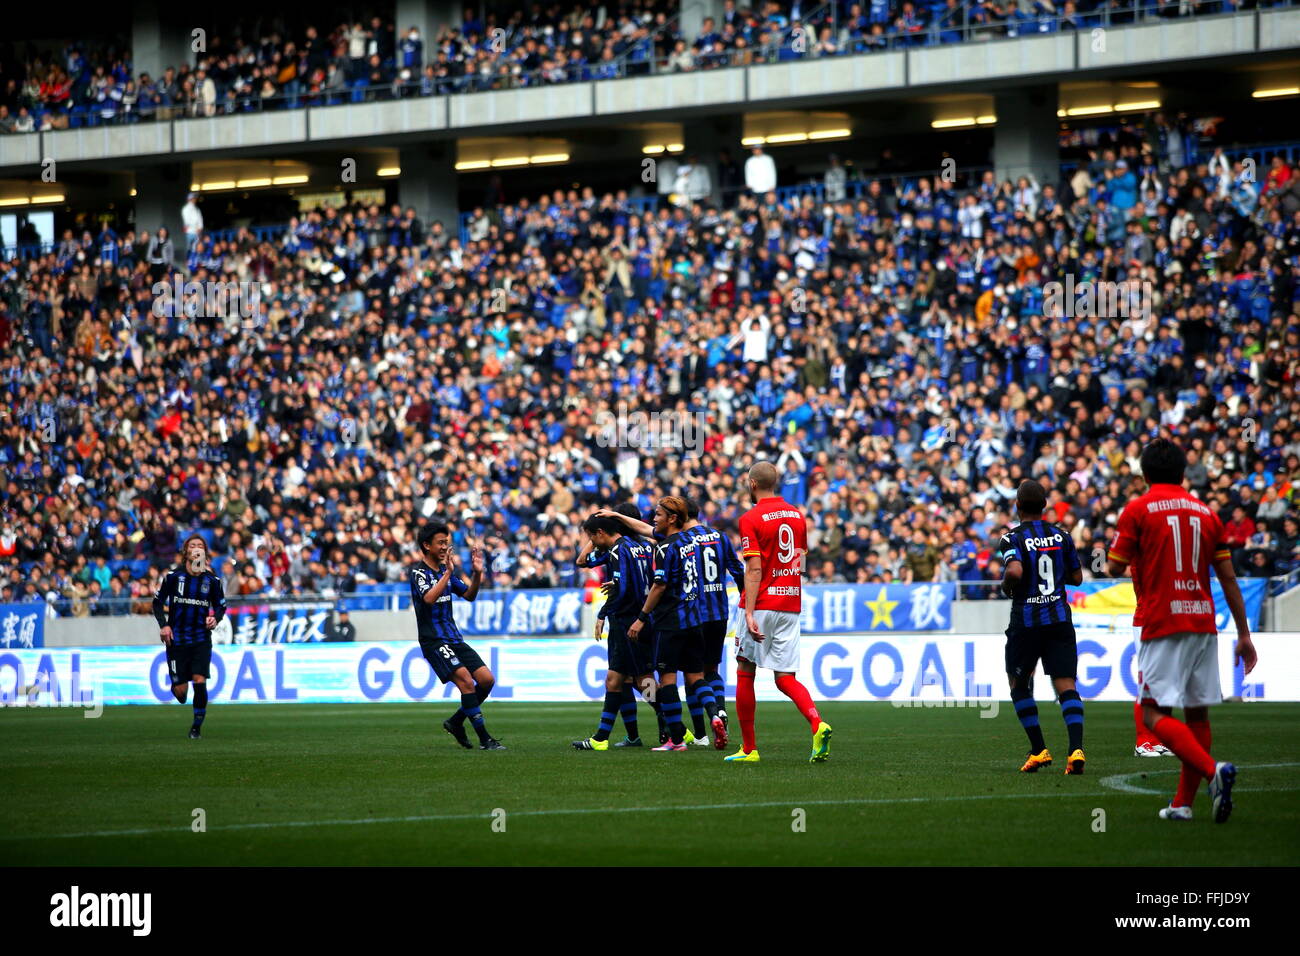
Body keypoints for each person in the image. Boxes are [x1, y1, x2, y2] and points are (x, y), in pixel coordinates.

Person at [1107, 438, 1258, 823]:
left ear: (1143, 475)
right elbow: (1228, 579)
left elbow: (1112, 566)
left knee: (1155, 714)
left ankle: (1214, 772)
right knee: (1198, 715)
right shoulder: (1206, 514)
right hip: (1203, 622)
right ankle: (1183, 804)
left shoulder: (1138, 509)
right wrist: (1244, 634)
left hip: (1163, 621)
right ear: (1183, 472)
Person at [728, 461, 831, 763]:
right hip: (790, 602)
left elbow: (754, 567)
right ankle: (817, 722)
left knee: (745, 671)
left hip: (761, 603)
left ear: (752, 484)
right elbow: (799, 560)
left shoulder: (750, 517)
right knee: (785, 676)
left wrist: (749, 612)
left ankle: (749, 749)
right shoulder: (797, 516)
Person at [997, 480, 1086, 774]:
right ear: (1045, 506)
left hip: (1027, 622)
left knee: (1019, 683)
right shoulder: (1062, 535)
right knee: (1066, 685)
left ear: (1017, 506)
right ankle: (1075, 751)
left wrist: (1008, 586)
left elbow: (1015, 570)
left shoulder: (1012, 538)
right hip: (1059, 618)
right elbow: (1077, 577)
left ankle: (1039, 750)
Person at [627, 496, 720, 751]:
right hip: (694, 620)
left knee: (667, 680)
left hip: (671, 622)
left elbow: (659, 585)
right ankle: (715, 713)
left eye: (657, 514)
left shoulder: (665, 548)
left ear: (672, 519)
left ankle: (676, 739)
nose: (653, 518)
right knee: (696, 676)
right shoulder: (690, 541)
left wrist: (641, 618)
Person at [409, 522, 504, 750]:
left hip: (454, 638)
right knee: (465, 682)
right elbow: (429, 599)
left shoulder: (445, 571)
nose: (445, 547)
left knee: (487, 680)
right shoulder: (418, 573)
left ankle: (456, 722)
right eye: (440, 543)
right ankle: (485, 739)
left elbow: (469, 595)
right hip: (434, 640)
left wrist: (477, 573)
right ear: (426, 545)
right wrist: (449, 573)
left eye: (446, 542)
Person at [572, 513, 658, 750]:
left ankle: (675, 726)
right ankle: (603, 737)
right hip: (640, 618)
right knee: (618, 679)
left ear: (601, 532)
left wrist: (602, 613)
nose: (590, 540)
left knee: (641, 681)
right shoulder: (640, 547)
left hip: (627, 622)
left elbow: (621, 588)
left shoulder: (618, 551)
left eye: (592, 536)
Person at [152, 534, 225, 739]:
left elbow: (221, 606)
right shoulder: (173, 577)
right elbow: (157, 603)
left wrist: (215, 618)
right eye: (192, 545)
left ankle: (196, 727)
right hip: (177, 639)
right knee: (181, 693)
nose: (195, 548)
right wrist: (164, 625)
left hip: (201, 638)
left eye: (199, 546)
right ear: (186, 551)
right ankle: (177, 682)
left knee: (199, 679)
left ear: (204, 551)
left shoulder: (212, 581)